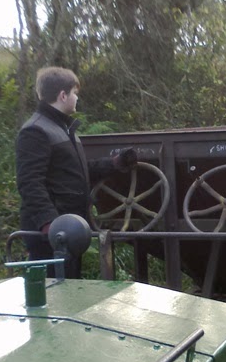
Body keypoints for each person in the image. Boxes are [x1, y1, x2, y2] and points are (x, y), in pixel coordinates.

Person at [16, 66, 137, 278]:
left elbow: (76, 173)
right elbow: (29, 183)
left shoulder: (62, 128)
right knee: (52, 295)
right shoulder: (35, 131)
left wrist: (114, 164)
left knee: (68, 291)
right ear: (63, 96)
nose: (76, 98)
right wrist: (50, 225)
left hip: (69, 230)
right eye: (74, 93)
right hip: (53, 236)